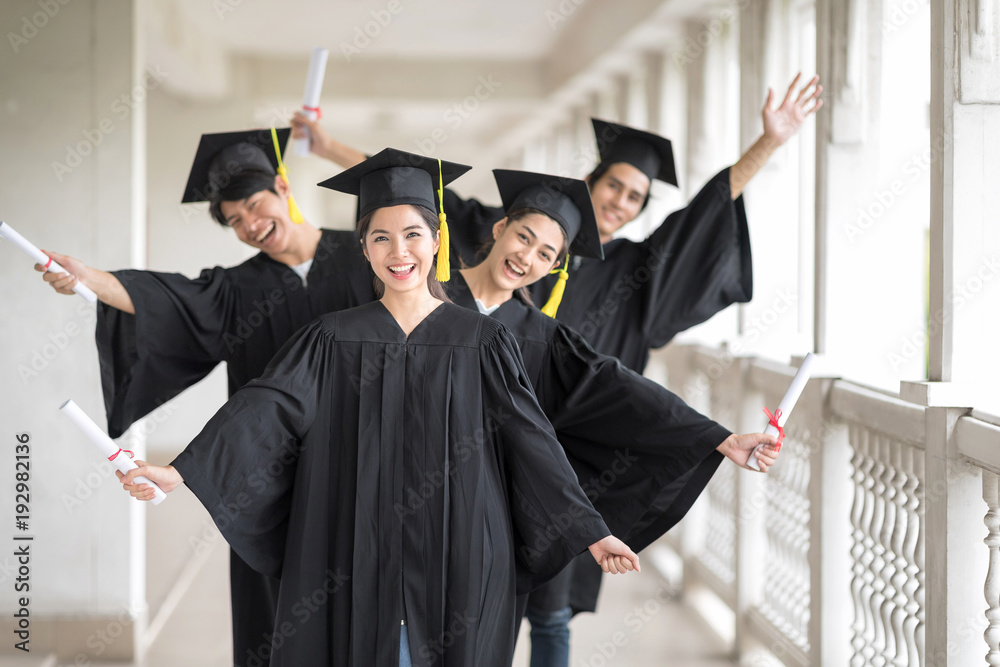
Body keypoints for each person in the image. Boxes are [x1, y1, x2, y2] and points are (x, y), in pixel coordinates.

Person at [118, 148, 641, 667]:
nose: (399, 251)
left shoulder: (484, 341)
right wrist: (182, 471)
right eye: (380, 238)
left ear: (437, 242)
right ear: (364, 250)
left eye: (413, 234)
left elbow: (532, 440)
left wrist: (589, 531)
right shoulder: (330, 338)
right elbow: (266, 406)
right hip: (355, 544)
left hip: (458, 544)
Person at [36, 128, 377, 667]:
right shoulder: (236, 289)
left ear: (283, 187)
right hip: (272, 475)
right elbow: (165, 299)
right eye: (234, 221)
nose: (250, 226)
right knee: (277, 610)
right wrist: (88, 278)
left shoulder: (367, 260)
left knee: (365, 605)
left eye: (254, 205)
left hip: (367, 464)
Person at [442, 168, 779, 667]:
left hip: (494, 517)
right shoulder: (427, 301)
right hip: (415, 503)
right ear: (499, 229)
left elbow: (614, 385)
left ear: (556, 267)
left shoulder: (541, 336)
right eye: (523, 237)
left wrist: (718, 438)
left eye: (545, 254)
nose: (526, 257)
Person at [292, 73, 823, 372]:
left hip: (573, 447)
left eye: (635, 197)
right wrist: (325, 145)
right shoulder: (497, 231)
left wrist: (769, 143)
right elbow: (407, 186)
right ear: (591, 182)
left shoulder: (633, 271)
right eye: (614, 184)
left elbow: (705, 214)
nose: (620, 201)